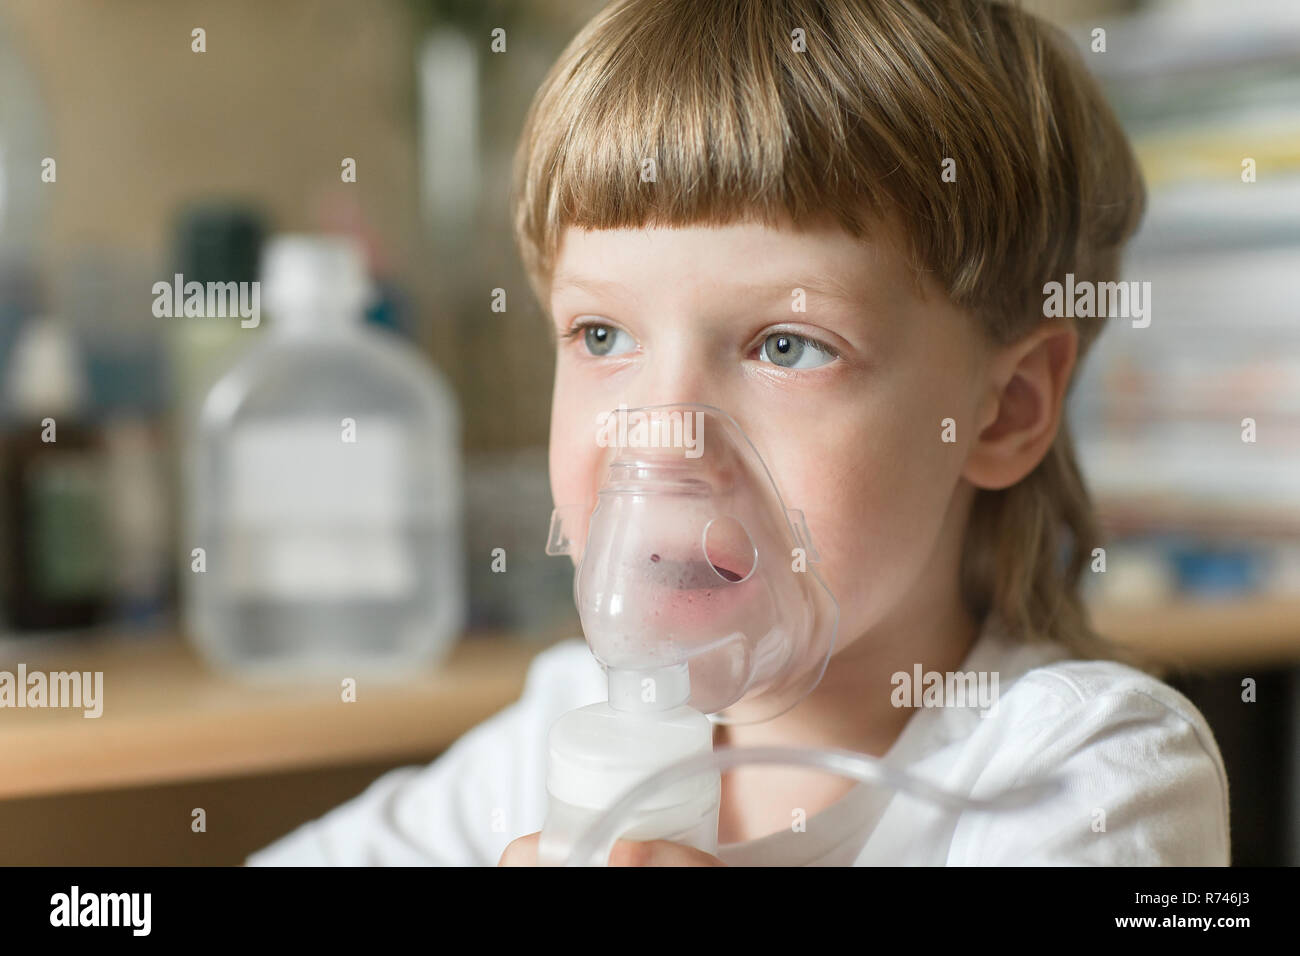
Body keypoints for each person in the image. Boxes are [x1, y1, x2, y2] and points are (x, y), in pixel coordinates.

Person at [248, 0, 1229, 866]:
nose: (663, 438)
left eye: (788, 346)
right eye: (601, 334)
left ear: (1005, 409)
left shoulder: (1078, 770)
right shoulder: (561, 723)